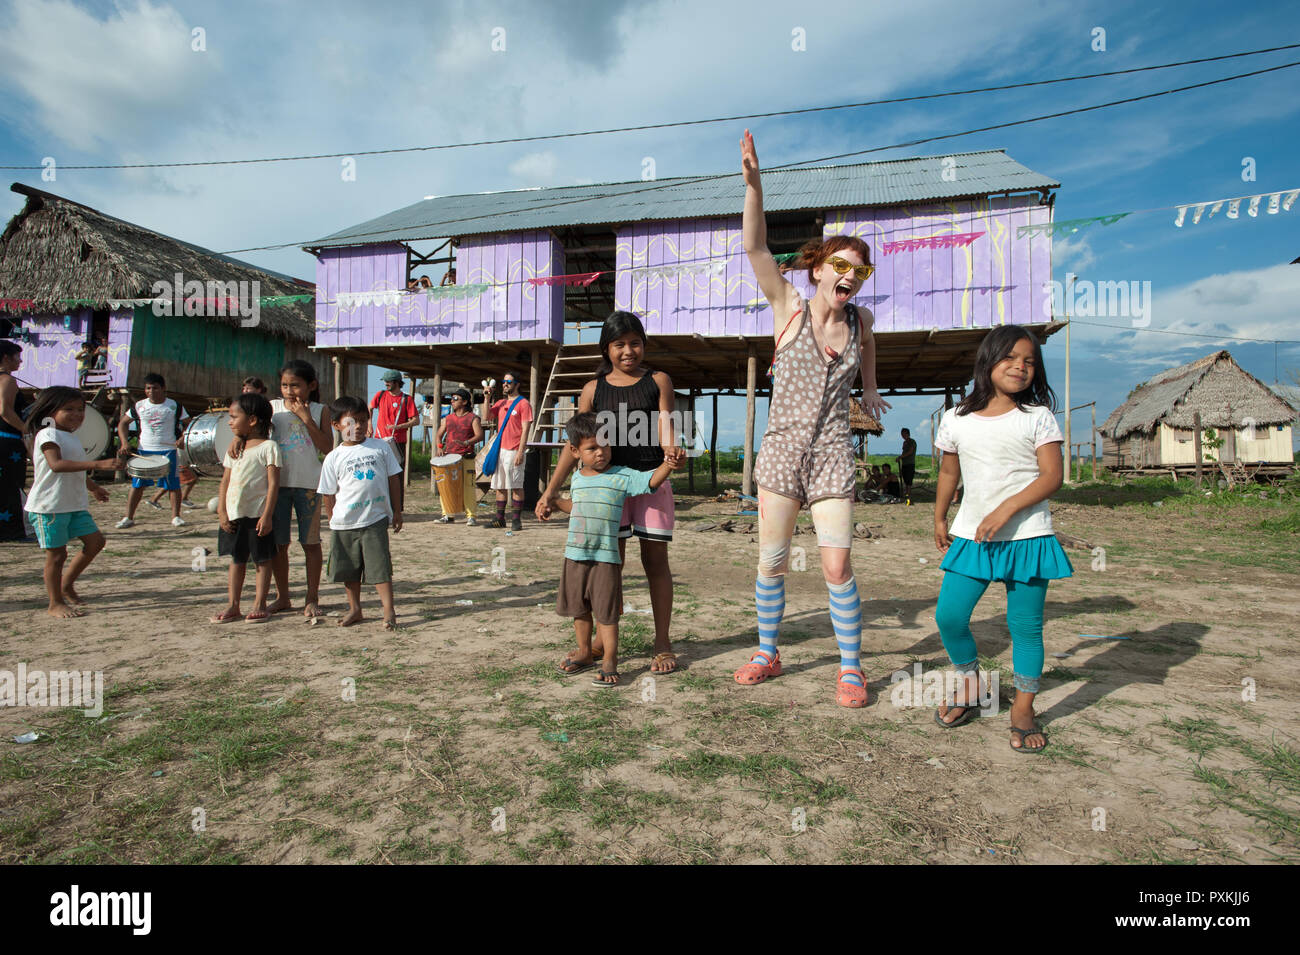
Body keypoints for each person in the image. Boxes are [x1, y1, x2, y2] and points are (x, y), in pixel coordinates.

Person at [733, 128, 891, 708]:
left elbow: (870, 345)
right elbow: (755, 247)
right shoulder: (787, 307)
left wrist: (870, 389)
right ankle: (767, 652)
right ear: (819, 268)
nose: (852, 277)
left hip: (830, 453)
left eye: (862, 272)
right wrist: (754, 185)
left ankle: (852, 669)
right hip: (780, 451)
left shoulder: (860, 322)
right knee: (772, 560)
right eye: (844, 266)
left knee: (837, 562)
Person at [932, 325, 1073, 753]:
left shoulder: (1037, 418)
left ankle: (1023, 708)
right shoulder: (956, 418)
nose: (1020, 367)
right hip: (972, 537)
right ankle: (973, 684)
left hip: (1028, 538)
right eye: (1010, 357)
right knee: (949, 617)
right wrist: (939, 516)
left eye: (1029, 361)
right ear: (988, 361)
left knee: (1025, 628)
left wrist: (1007, 509)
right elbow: (949, 473)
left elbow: (1053, 477)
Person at [536, 311, 681, 673]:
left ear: (644, 344)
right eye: (619, 344)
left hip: (650, 483)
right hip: (605, 489)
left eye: (635, 342)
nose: (628, 351)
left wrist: (671, 451)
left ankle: (662, 643)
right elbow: (575, 445)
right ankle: (599, 643)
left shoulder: (659, 380)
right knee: (607, 567)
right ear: (606, 348)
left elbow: (665, 422)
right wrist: (550, 491)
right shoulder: (592, 390)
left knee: (656, 565)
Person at [541, 413, 682, 686]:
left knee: (606, 612)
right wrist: (555, 503)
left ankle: (609, 661)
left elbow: (651, 482)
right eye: (591, 448)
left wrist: (669, 464)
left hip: (606, 557)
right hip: (575, 556)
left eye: (605, 446)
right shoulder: (578, 478)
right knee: (579, 609)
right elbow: (578, 507)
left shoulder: (622, 476)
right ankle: (584, 652)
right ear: (575, 451)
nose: (601, 453)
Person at [24, 387, 126, 617]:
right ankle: (54, 603)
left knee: (96, 542)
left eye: (80, 410)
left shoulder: (70, 436)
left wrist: (94, 488)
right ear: (50, 411)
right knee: (57, 555)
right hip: (49, 507)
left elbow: (74, 470)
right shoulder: (48, 434)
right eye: (68, 409)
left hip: (73, 504)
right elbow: (57, 465)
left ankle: (66, 584)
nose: (77, 414)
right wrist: (98, 465)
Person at [317, 396, 403, 629]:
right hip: (344, 523)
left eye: (363, 421)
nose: (358, 427)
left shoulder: (380, 447)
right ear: (336, 425)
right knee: (349, 568)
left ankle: (388, 610)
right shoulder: (333, 457)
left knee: (380, 567)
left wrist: (397, 510)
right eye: (351, 422)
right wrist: (331, 519)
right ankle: (355, 608)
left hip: (375, 520)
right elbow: (328, 492)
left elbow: (394, 478)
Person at [267, 360, 332, 619]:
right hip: (277, 485)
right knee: (279, 544)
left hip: (309, 486)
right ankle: (283, 596)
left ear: (311, 385)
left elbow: (327, 447)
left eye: (295, 385)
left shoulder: (320, 410)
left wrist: (306, 419)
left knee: (311, 542)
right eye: (284, 385)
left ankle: (311, 597)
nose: (289, 391)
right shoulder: (272, 408)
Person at [210, 393, 281, 624]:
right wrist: (222, 511)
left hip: (257, 515)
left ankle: (260, 603)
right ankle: (233, 604)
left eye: (233, 416)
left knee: (262, 560)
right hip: (233, 514)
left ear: (251, 420)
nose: (229, 421)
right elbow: (225, 481)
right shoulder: (234, 448)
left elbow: (273, 483)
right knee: (236, 559)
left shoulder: (269, 447)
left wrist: (268, 515)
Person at [115, 373, 189, 528]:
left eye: (155, 388)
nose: (151, 391)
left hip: (168, 450)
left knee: (173, 485)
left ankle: (176, 517)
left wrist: (183, 438)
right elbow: (123, 423)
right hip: (144, 450)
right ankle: (128, 517)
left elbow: (189, 424)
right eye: (148, 388)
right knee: (137, 484)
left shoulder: (174, 406)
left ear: (163, 388)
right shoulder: (139, 406)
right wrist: (124, 443)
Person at [482, 373, 532, 532]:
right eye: (503, 381)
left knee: (516, 485)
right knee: (499, 486)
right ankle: (500, 518)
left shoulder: (523, 404)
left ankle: (516, 520)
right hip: (500, 450)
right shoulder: (500, 402)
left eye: (508, 382)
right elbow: (486, 416)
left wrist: (521, 451)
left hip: (514, 449)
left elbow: (525, 429)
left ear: (517, 384)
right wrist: (487, 398)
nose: (505, 384)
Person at [369, 370, 417, 512]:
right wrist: (369, 425)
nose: (386, 384)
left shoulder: (407, 399)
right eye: (385, 381)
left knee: (397, 475)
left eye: (388, 381)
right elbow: (370, 408)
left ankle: (397, 508)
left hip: (398, 442)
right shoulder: (380, 395)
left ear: (396, 382)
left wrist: (399, 426)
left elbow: (416, 420)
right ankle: (381, 505)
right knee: (379, 474)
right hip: (379, 440)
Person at [0, 341, 33, 541]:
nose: (20, 361)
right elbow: (4, 411)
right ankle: (12, 531)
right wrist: (25, 429)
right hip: (7, 441)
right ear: (6, 357)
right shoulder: (7, 380)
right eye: (17, 357)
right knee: (12, 486)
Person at [435, 388, 483, 524]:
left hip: (466, 457)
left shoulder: (473, 418)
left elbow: (479, 435)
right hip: (449, 458)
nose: (452, 401)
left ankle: (471, 516)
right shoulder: (447, 419)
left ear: (465, 401)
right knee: (446, 487)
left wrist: (467, 442)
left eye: (455, 399)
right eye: (452, 398)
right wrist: (440, 448)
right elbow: (439, 435)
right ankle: (447, 515)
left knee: (468, 487)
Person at [899, 427, 918, 497]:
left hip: (910, 463)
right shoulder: (904, 442)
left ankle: (908, 493)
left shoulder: (912, 441)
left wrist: (901, 457)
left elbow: (910, 452)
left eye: (903, 434)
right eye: (902, 434)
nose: (902, 436)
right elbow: (904, 452)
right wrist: (900, 457)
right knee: (905, 479)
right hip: (904, 463)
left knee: (909, 480)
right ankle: (906, 492)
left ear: (907, 434)